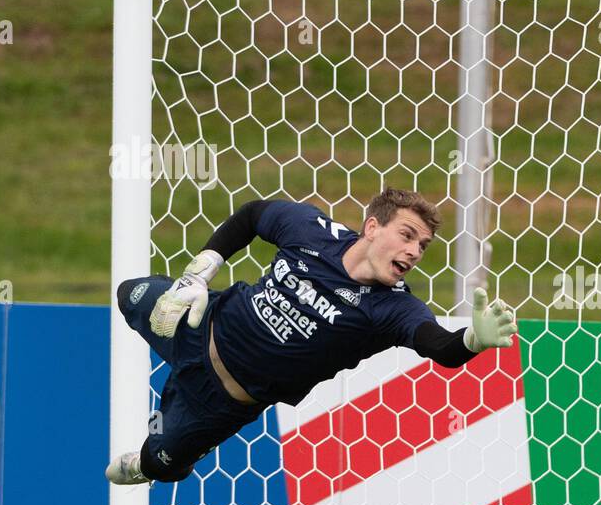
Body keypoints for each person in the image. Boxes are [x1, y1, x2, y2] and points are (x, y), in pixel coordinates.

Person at [106, 189, 516, 485]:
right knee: (131, 294)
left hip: (218, 403)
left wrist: (472, 341)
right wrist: (198, 273)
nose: (414, 251)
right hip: (199, 323)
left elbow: (438, 346)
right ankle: (177, 305)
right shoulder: (312, 231)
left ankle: (159, 456)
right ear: (372, 227)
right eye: (407, 235)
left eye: (423, 246)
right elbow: (252, 215)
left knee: (158, 464)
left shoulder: (392, 308)